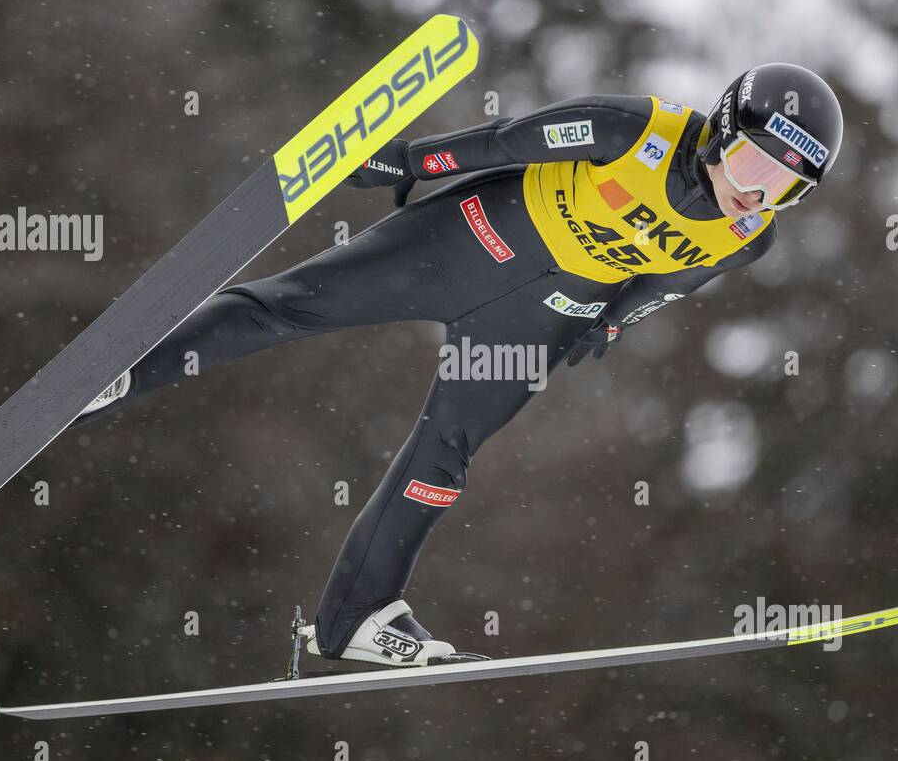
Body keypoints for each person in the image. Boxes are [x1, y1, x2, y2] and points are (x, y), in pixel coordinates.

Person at [73, 62, 844, 667]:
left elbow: (667, 283)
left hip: (540, 315)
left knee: (447, 452)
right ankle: (123, 371)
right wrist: (408, 161)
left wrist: (606, 328)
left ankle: (357, 619)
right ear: (718, 130)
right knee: (289, 305)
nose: (757, 190)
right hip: (471, 241)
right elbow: (509, 140)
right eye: (753, 163)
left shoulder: (751, 236)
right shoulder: (635, 129)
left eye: (786, 185)